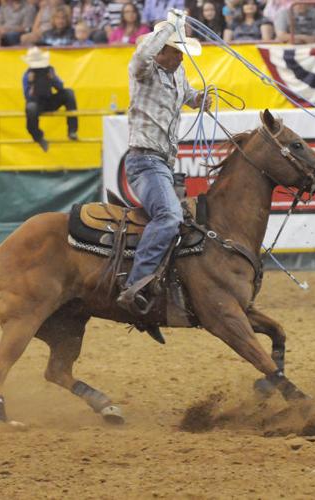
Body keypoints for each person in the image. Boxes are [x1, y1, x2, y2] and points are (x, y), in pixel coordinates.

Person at [116, 11, 211, 322]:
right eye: (177, 52)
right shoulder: (143, 70)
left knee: (181, 220)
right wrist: (171, 26)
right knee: (169, 216)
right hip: (144, 161)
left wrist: (201, 100)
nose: (182, 58)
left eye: (183, 53)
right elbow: (141, 55)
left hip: (162, 164)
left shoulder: (176, 75)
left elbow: (188, 96)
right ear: (162, 50)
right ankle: (136, 284)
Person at [21, 47, 78, 151]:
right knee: (31, 108)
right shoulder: (27, 75)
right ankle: (38, 137)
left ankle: (72, 130)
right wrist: (31, 84)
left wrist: (53, 79)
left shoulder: (50, 70)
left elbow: (60, 87)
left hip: (49, 100)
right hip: (36, 103)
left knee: (69, 93)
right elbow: (27, 96)